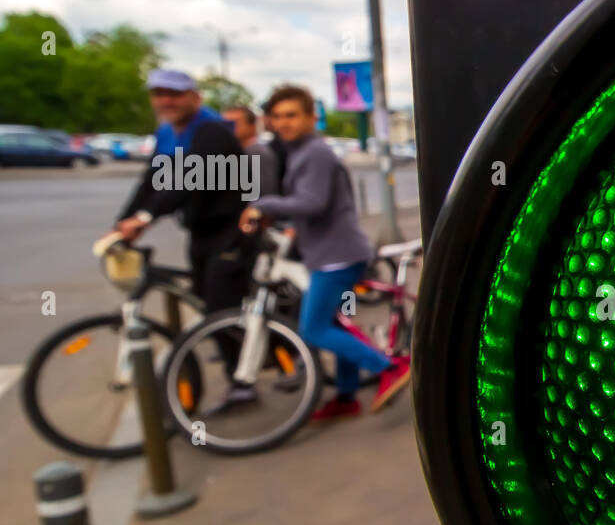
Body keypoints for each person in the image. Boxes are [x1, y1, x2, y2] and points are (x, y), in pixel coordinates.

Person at [238, 84, 410, 419]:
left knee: (313, 329)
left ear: (312, 118)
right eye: (277, 117)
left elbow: (312, 202)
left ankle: (388, 368)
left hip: (337, 257)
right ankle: (346, 398)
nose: (284, 123)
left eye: (292, 115)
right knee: (337, 324)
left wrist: (261, 206)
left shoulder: (314, 153)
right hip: (333, 252)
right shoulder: (303, 151)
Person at [113, 69, 258, 407]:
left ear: (195, 97)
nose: (167, 101)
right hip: (200, 233)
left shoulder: (211, 131)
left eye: (175, 94)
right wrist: (121, 222)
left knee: (222, 308)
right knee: (207, 303)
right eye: (159, 94)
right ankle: (243, 361)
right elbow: (152, 180)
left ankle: (245, 379)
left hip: (231, 233)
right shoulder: (167, 133)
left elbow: (189, 179)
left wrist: (145, 218)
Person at [221, 105, 280, 198]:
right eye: (225, 123)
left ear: (252, 125)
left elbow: (265, 194)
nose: (228, 128)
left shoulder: (256, 152)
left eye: (234, 123)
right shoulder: (234, 151)